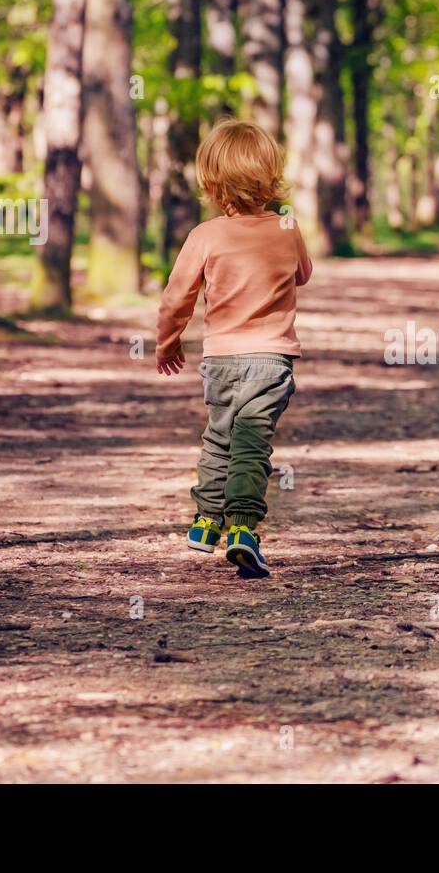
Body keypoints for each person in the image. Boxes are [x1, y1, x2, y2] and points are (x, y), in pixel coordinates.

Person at [156, 118, 313, 579]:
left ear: (211, 180)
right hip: (270, 358)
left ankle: (205, 522)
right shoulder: (286, 226)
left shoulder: (204, 235)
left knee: (219, 435)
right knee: (251, 444)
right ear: (271, 176)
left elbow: (176, 298)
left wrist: (167, 343)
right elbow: (303, 274)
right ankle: (243, 530)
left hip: (220, 359)